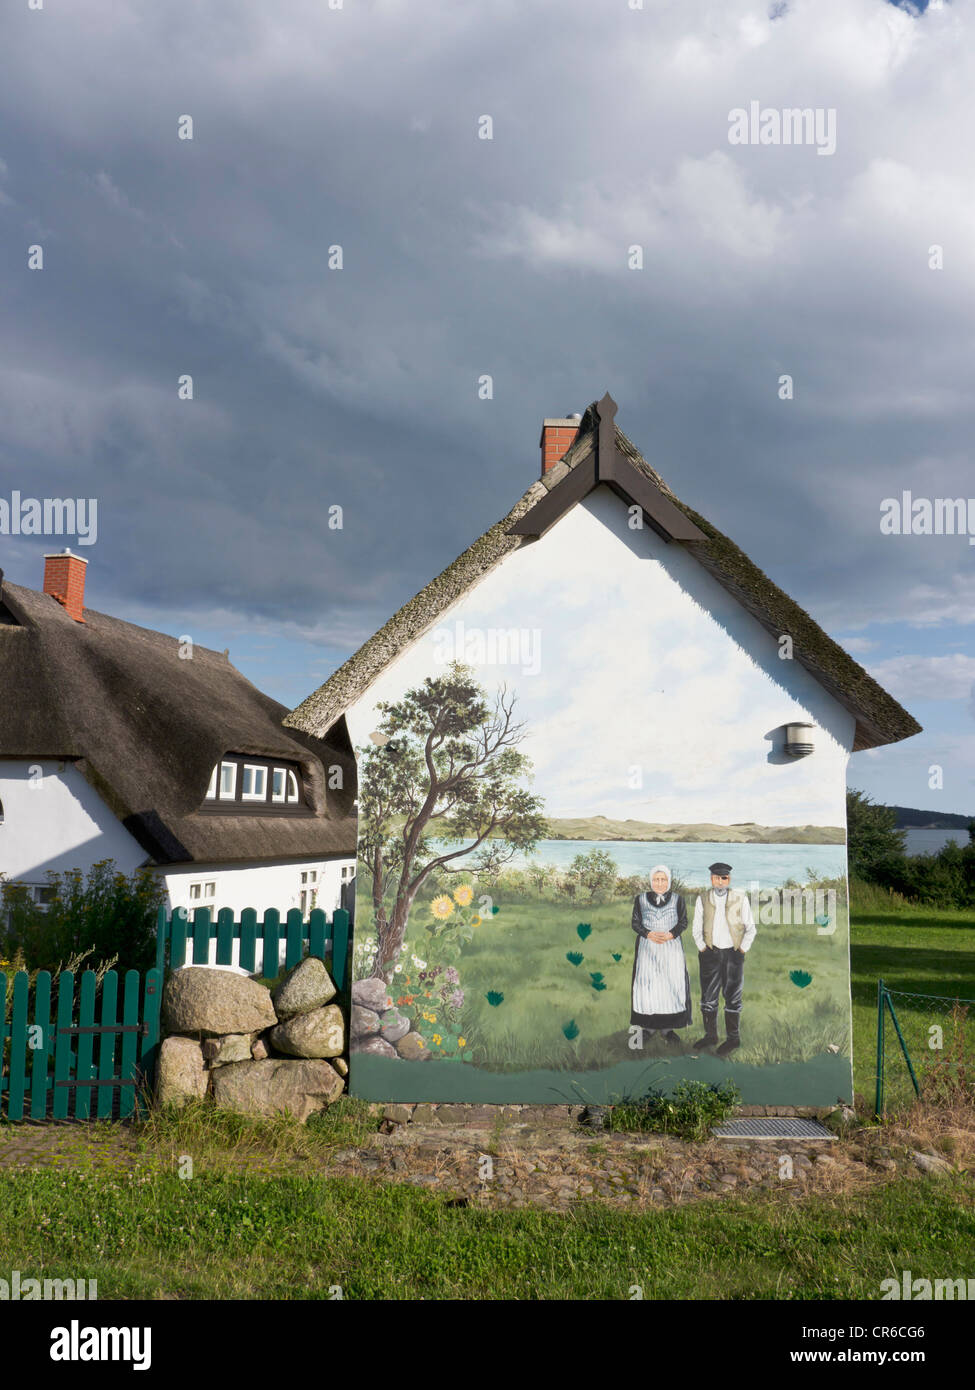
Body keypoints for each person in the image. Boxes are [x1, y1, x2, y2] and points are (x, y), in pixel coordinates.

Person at [691, 861, 756, 1056]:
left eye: (724, 878)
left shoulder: (740, 898)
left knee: (733, 998)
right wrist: (702, 948)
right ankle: (711, 1036)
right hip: (710, 954)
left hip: (733, 954)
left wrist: (741, 950)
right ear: (711, 878)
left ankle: (733, 1039)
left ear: (729, 879)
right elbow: (696, 927)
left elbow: (751, 928)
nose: (720, 882)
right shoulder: (702, 898)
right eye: (716, 878)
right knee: (708, 998)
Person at [630, 865, 692, 1047]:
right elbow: (635, 922)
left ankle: (667, 1028)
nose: (659, 883)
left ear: (669, 881)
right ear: (651, 881)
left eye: (663, 880)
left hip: (670, 948)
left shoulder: (678, 900)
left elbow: (683, 922)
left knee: (669, 985)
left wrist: (671, 934)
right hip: (648, 948)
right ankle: (648, 1027)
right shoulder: (640, 900)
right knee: (647, 985)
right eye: (656, 880)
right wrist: (647, 934)